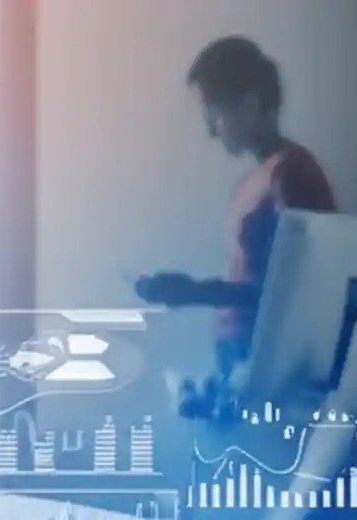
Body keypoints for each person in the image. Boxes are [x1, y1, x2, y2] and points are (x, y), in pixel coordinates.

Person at [136, 36, 337, 380]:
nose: (210, 131)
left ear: (247, 105)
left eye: (213, 114)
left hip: (271, 366)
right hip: (239, 358)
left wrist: (197, 292)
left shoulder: (293, 173)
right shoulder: (251, 182)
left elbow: (300, 292)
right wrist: (193, 291)